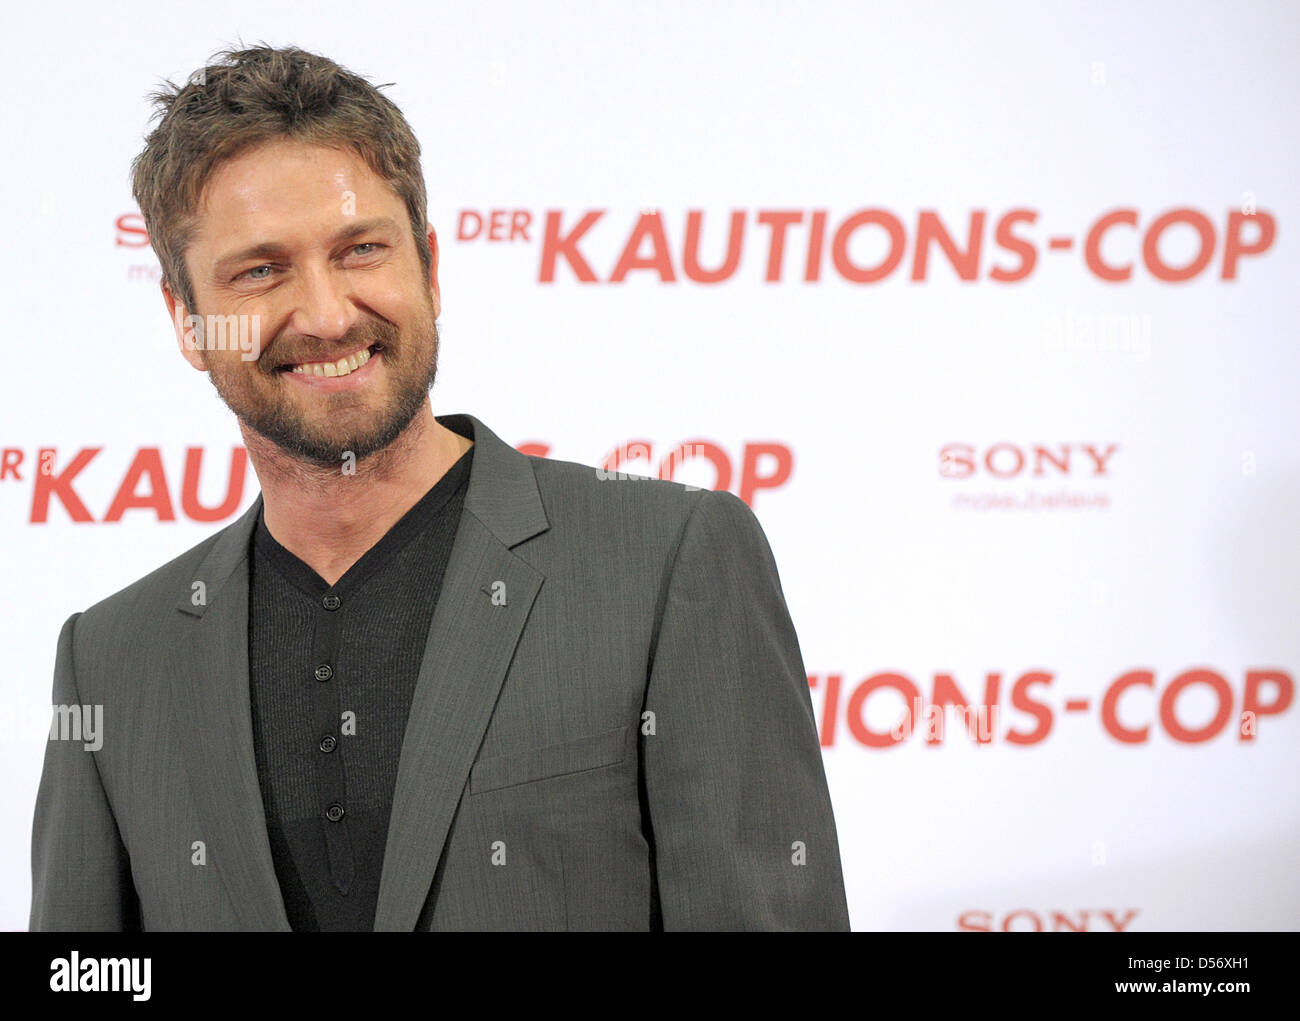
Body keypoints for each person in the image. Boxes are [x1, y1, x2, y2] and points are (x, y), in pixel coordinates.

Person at [29, 44, 850, 931]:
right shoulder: (112, 659)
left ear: (428, 265)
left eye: (361, 250)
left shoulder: (664, 565)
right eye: (260, 270)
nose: (328, 313)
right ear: (187, 321)